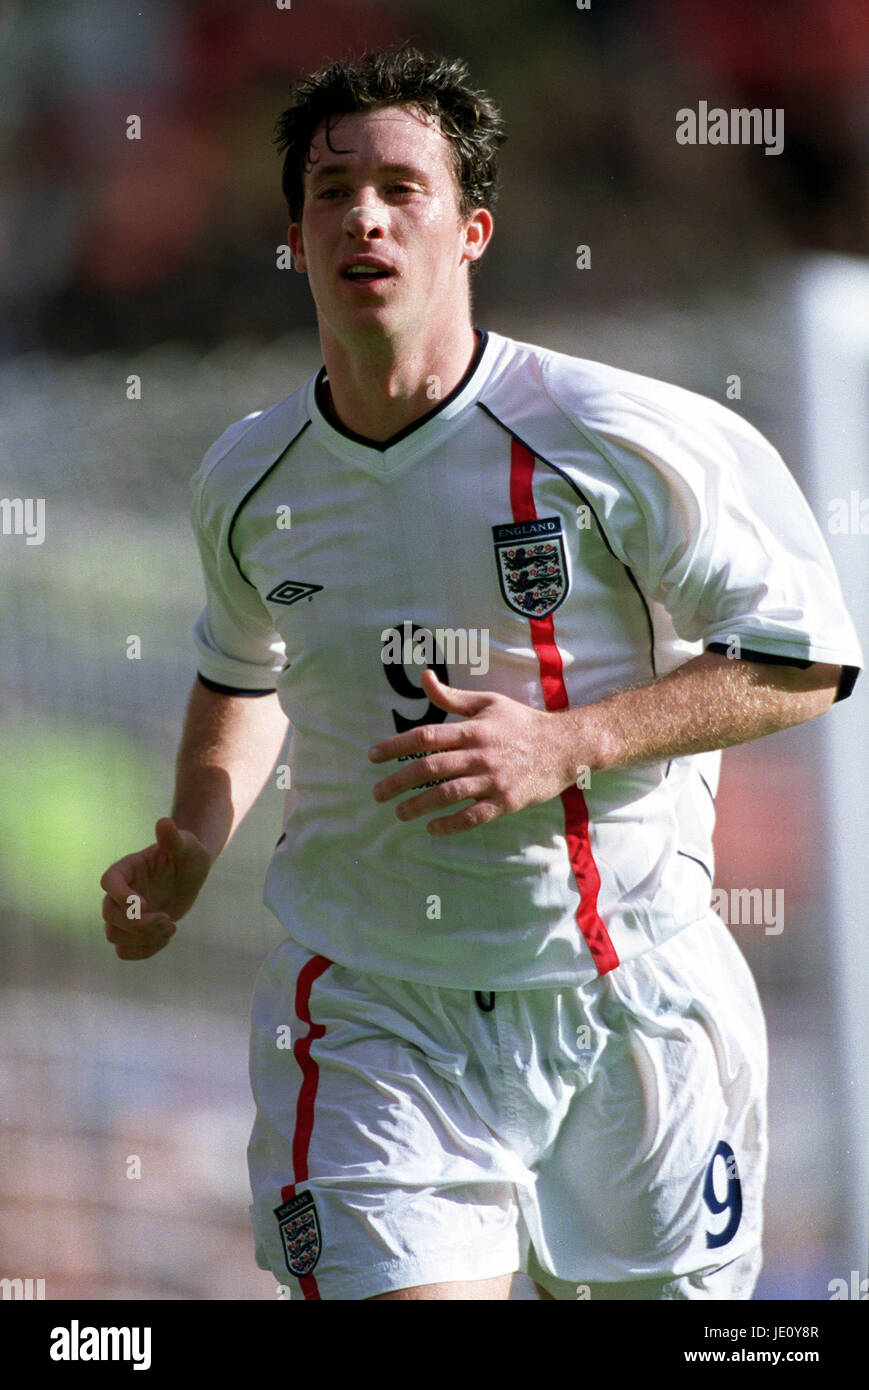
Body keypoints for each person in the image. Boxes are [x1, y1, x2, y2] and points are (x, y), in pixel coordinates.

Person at [100, 46, 862, 1302]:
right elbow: (243, 666)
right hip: (371, 1005)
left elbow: (805, 660)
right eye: (333, 190)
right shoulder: (247, 477)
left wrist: (569, 742)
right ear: (296, 235)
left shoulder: (615, 433)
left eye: (403, 187)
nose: (365, 215)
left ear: (471, 231)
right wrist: (187, 845)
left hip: (628, 998)